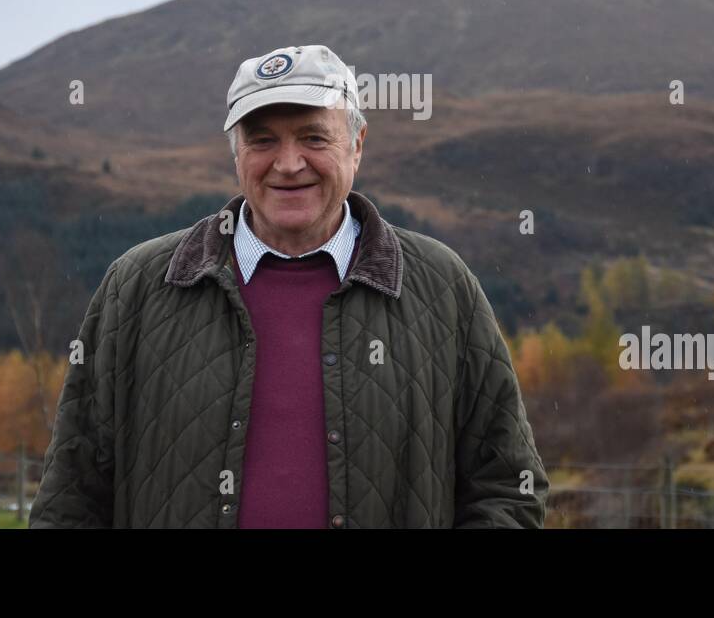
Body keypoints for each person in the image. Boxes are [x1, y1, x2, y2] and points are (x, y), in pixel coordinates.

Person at [28, 44, 548, 527]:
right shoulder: (139, 286)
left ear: (357, 145)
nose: (289, 163)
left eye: (314, 137)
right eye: (263, 140)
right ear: (236, 155)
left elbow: (507, 487)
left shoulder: (440, 287)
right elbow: (71, 495)